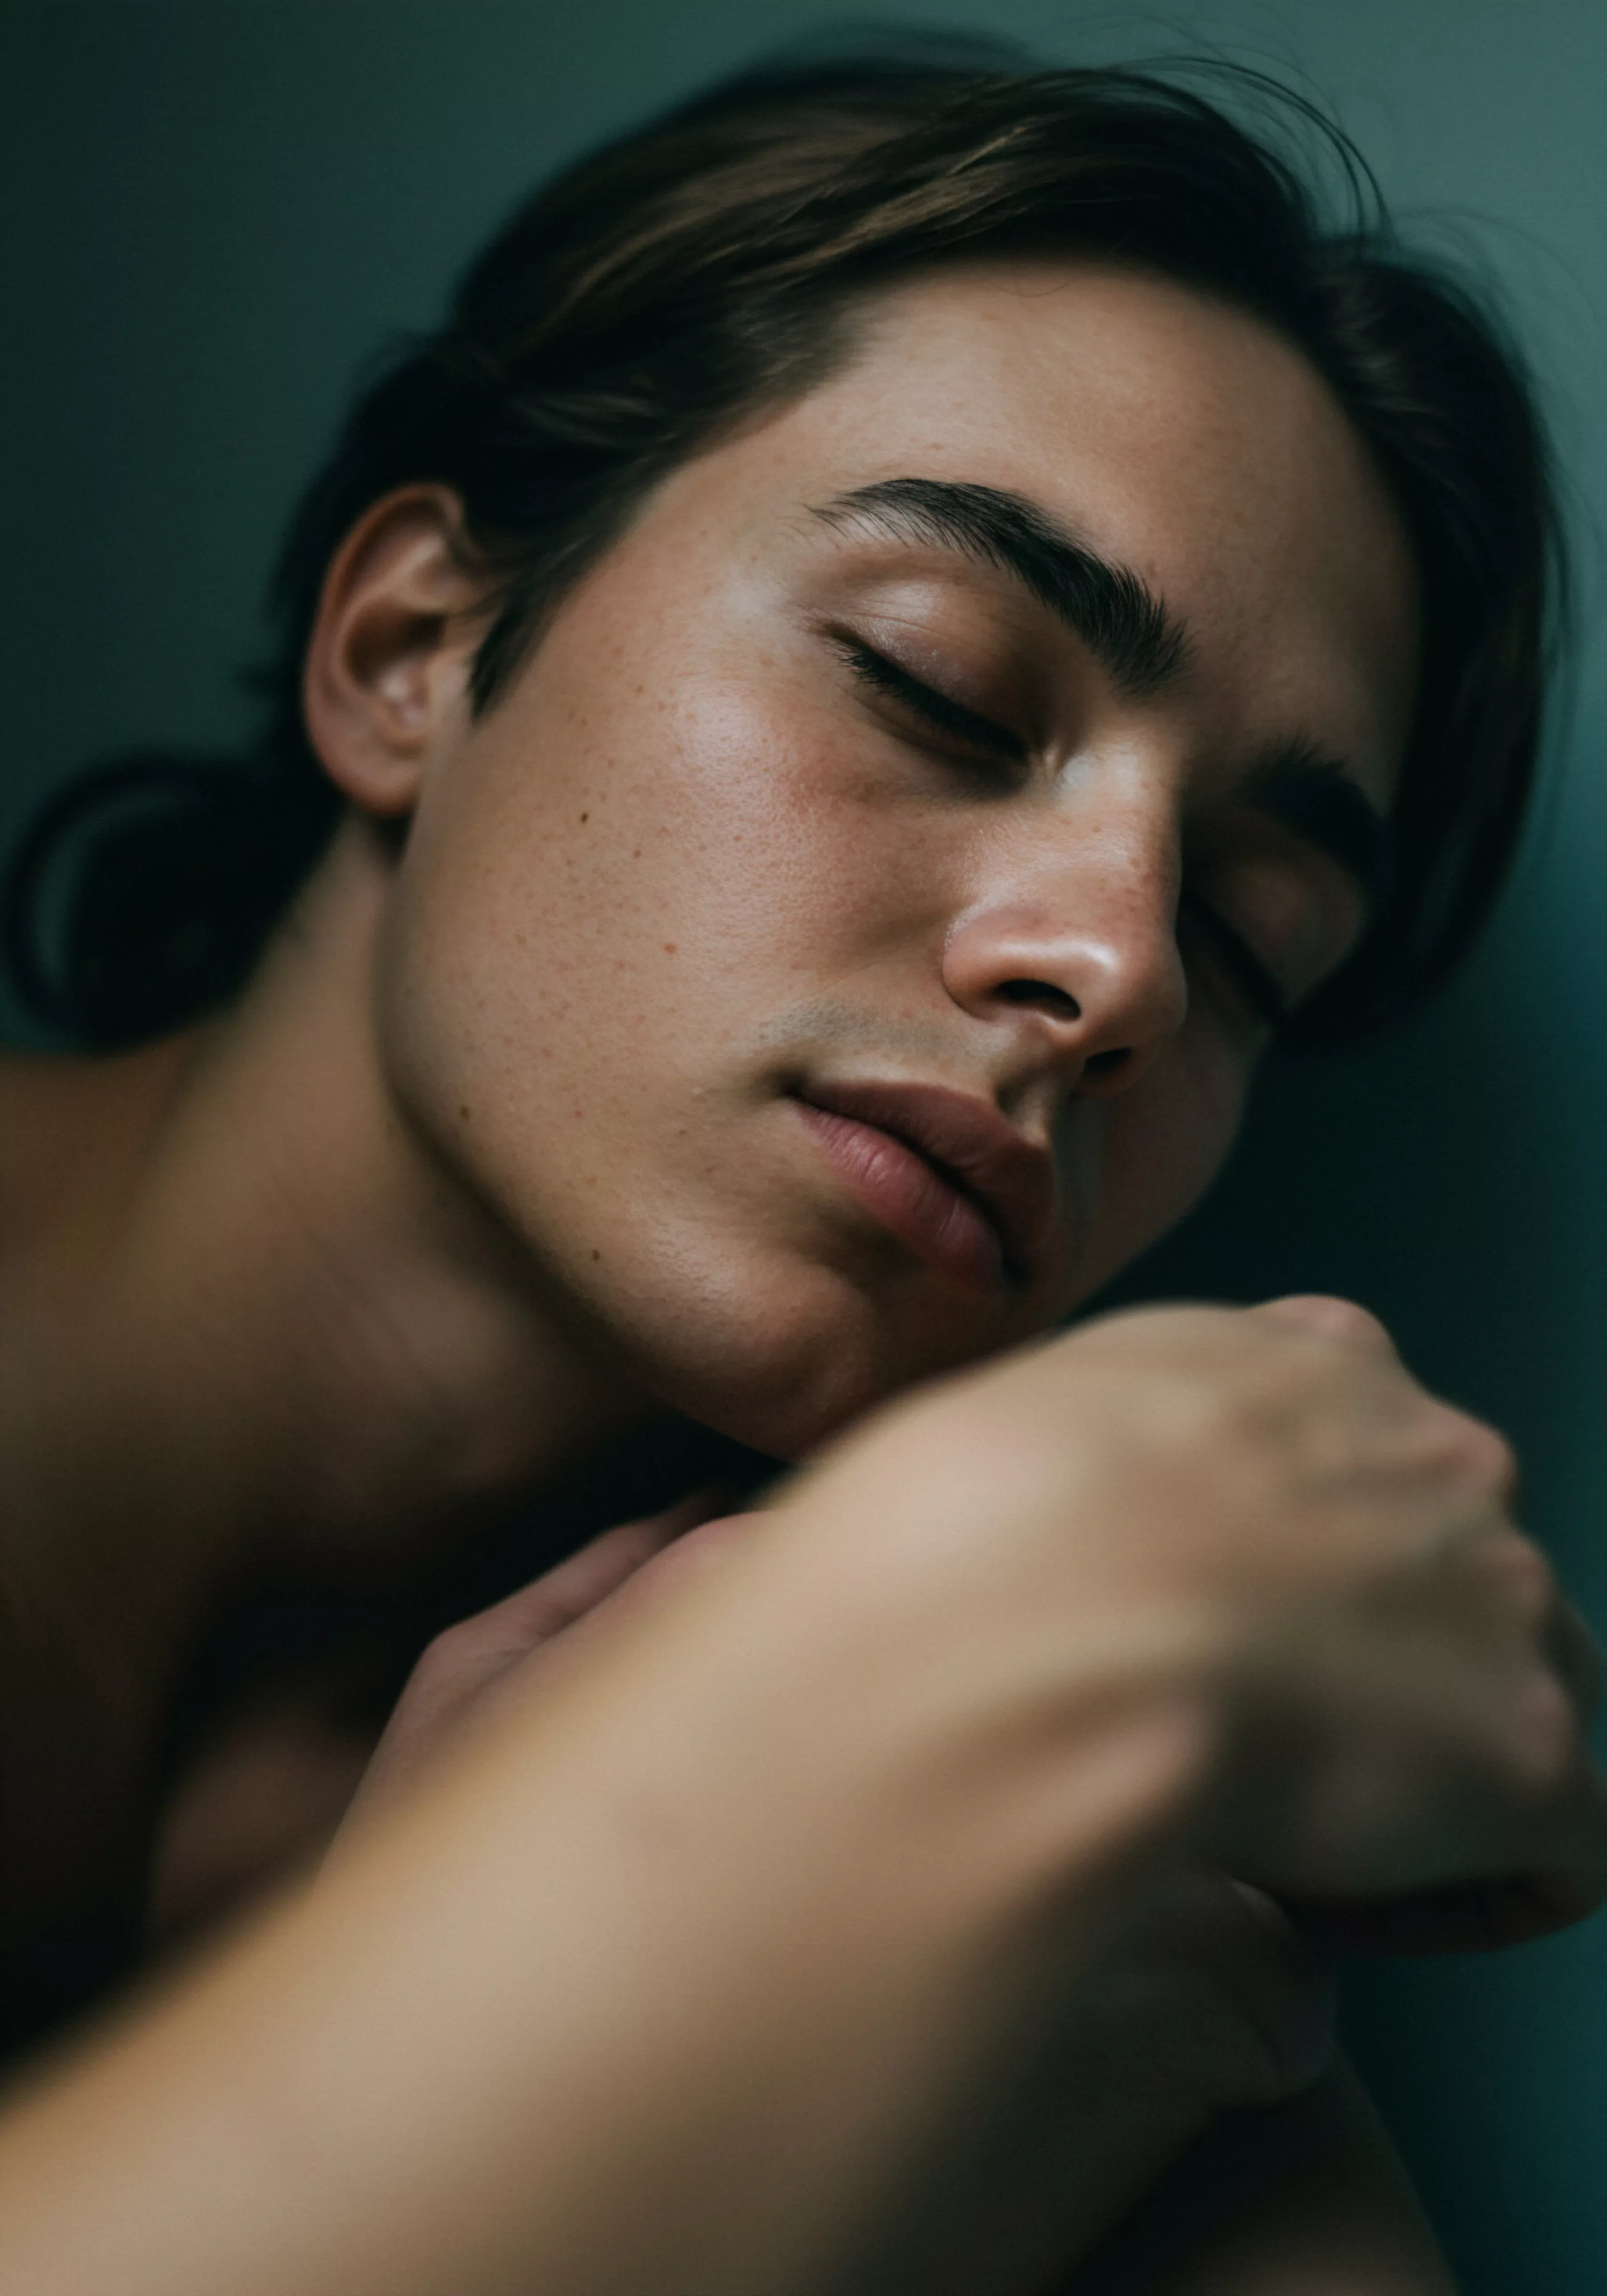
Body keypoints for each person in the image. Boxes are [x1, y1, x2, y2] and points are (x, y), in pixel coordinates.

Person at [1, 44, 1602, 2295]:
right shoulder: (919, 1693)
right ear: (416, 649)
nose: (1120, 964)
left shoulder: (1012, 1853)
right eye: (939, 685)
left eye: (1255, 942)